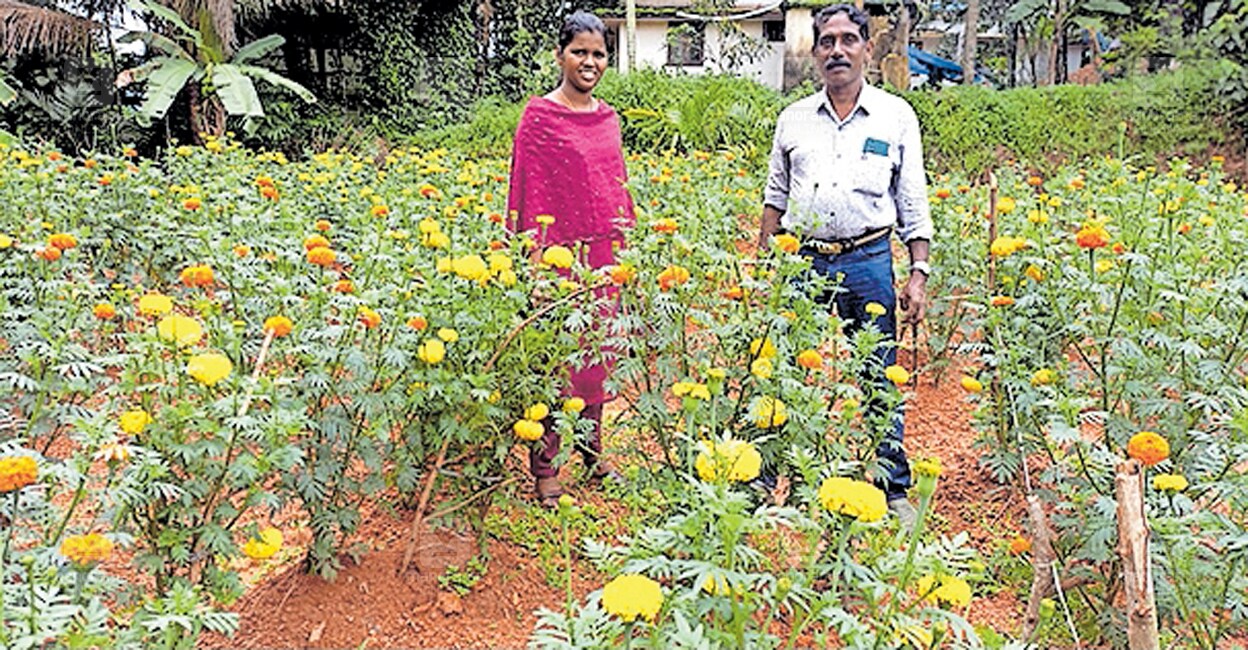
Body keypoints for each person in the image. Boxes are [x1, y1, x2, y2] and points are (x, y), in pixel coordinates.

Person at [758, 4, 932, 526]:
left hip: (870, 258)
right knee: (783, 372)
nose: (838, 50)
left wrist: (918, 272)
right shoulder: (793, 119)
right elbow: (775, 195)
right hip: (803, 260)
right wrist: (767, 264)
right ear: (815, 53)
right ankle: (765, 479)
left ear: (867, 48)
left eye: (848, 39)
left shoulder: (895, 116)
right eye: (827, 41)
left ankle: (891, 485)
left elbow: (913, 201)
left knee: (878, 373)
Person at [507, 11, 634, 507]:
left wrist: (629, 246)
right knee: (553, 363)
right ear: (560, 55)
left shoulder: (608, 119)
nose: (589, 61)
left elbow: (617, 187)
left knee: (596, 360)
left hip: (604, 255)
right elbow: (527, 190)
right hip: (556, 256)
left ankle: (592, 451)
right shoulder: (539, 118)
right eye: (579, 51)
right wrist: (533, 262)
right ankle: (545, 470)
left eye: (598, 53)